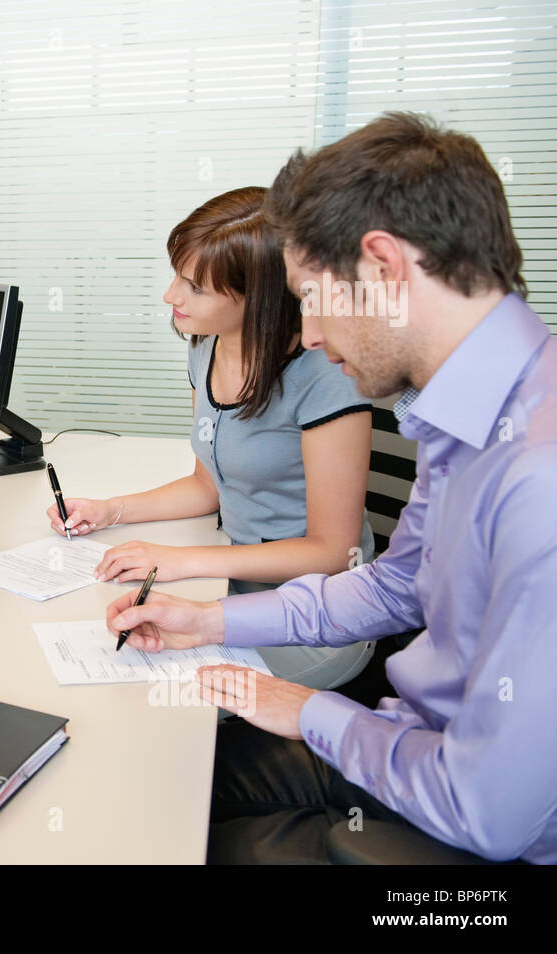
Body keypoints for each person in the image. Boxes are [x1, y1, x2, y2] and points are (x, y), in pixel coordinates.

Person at [106, 112, 557, 864]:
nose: (307, 334)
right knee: (151, 787)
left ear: (383, 267)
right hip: (402, 743)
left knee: (169, 842)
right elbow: (389, 589)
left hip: (465, 835)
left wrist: (314, 711)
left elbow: (487, 814)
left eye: (311, 296)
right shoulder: (462, 417)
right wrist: (208, 622)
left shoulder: (537, 476)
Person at [50, 187, 375, 690]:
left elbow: (333, 551)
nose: (171, 296)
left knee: (156, 696)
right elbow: (209, 485)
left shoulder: (327, 374)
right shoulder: (207, 347)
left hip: (318, 612)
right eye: (177, 275)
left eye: (194, 287)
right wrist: (110, 509)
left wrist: (180, 561)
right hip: (234, 580)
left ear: (259, 298)